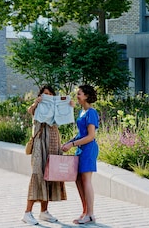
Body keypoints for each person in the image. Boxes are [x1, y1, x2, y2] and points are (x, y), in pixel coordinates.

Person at [21, 86, 66, 226]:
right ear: (40, 95)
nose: (48, 96)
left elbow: (62, 119)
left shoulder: (55, 108)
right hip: (40, 146)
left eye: (50, 94)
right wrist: (36, 103)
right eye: (45, 94)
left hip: (53, 144)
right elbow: (31, 111)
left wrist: (67, 105)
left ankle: (44, 211)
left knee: (49, 176)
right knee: (38, 175)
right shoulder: (37, 106)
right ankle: (27, 213)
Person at [61, 84, 99, 225]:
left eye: (79, 94)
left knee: (86, 180)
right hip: (81, 149)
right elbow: (80, 134)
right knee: (78, 180)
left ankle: (90, 214)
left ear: (86, 96)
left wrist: (72, 144)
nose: (77, 96)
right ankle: (85, 212)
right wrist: (69, 142)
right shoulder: (82, 112)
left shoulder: (91, 112)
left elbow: (90, 136)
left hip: (88, 149)